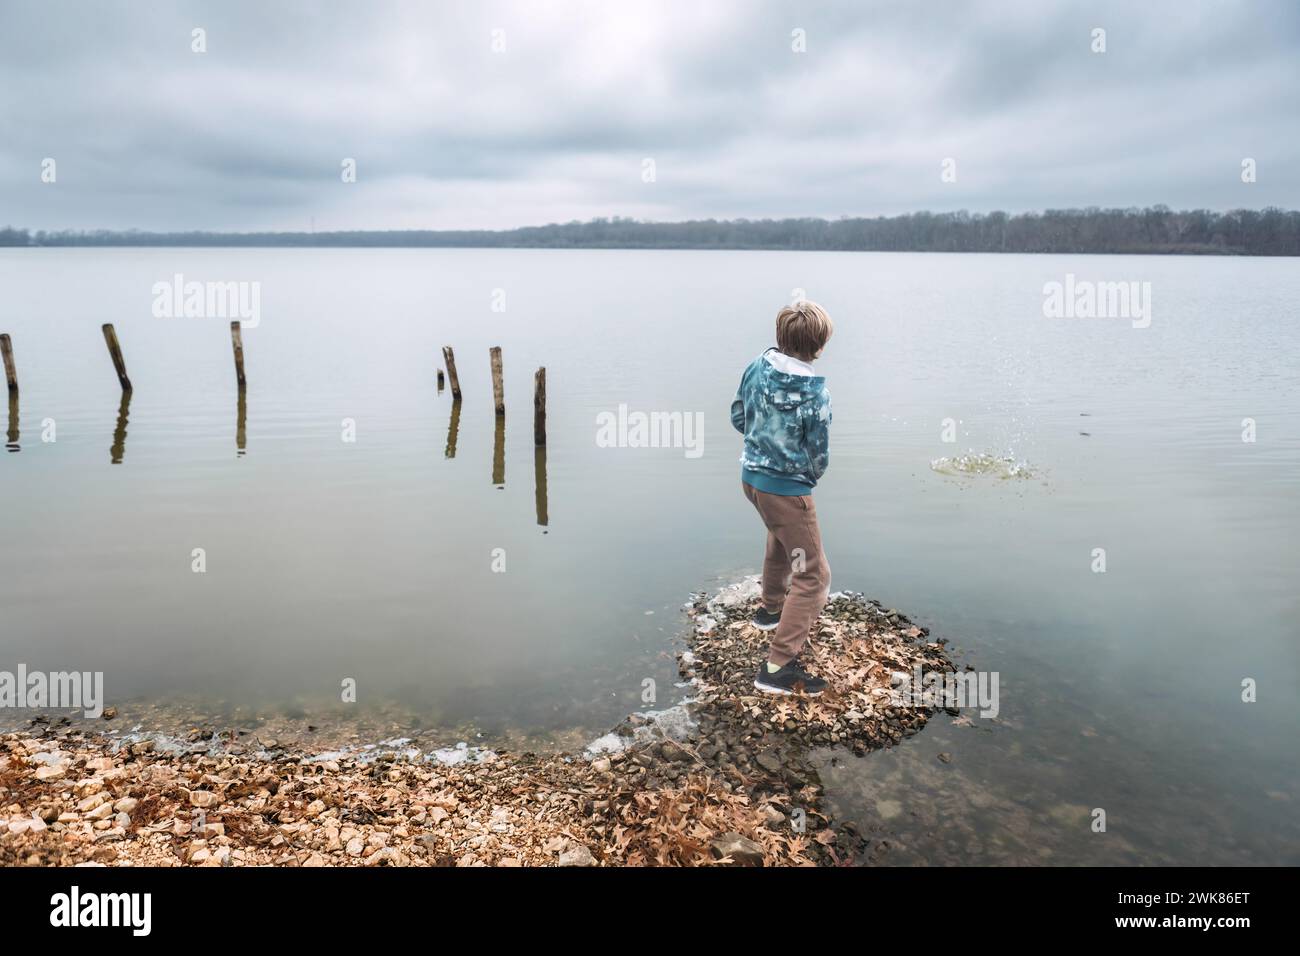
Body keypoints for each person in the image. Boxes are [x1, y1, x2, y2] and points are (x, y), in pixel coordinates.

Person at [729, 301, 834, 696]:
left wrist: (760, 445)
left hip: (750, 480)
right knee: (813, 575)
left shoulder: (756, 367)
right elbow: (819, 454)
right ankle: (777, 666)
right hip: (786, 488)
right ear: (819, 346)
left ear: (780, 336)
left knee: (779, 535)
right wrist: (804, 478)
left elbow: (738, 415)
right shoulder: (814, 393)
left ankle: (770, 610)